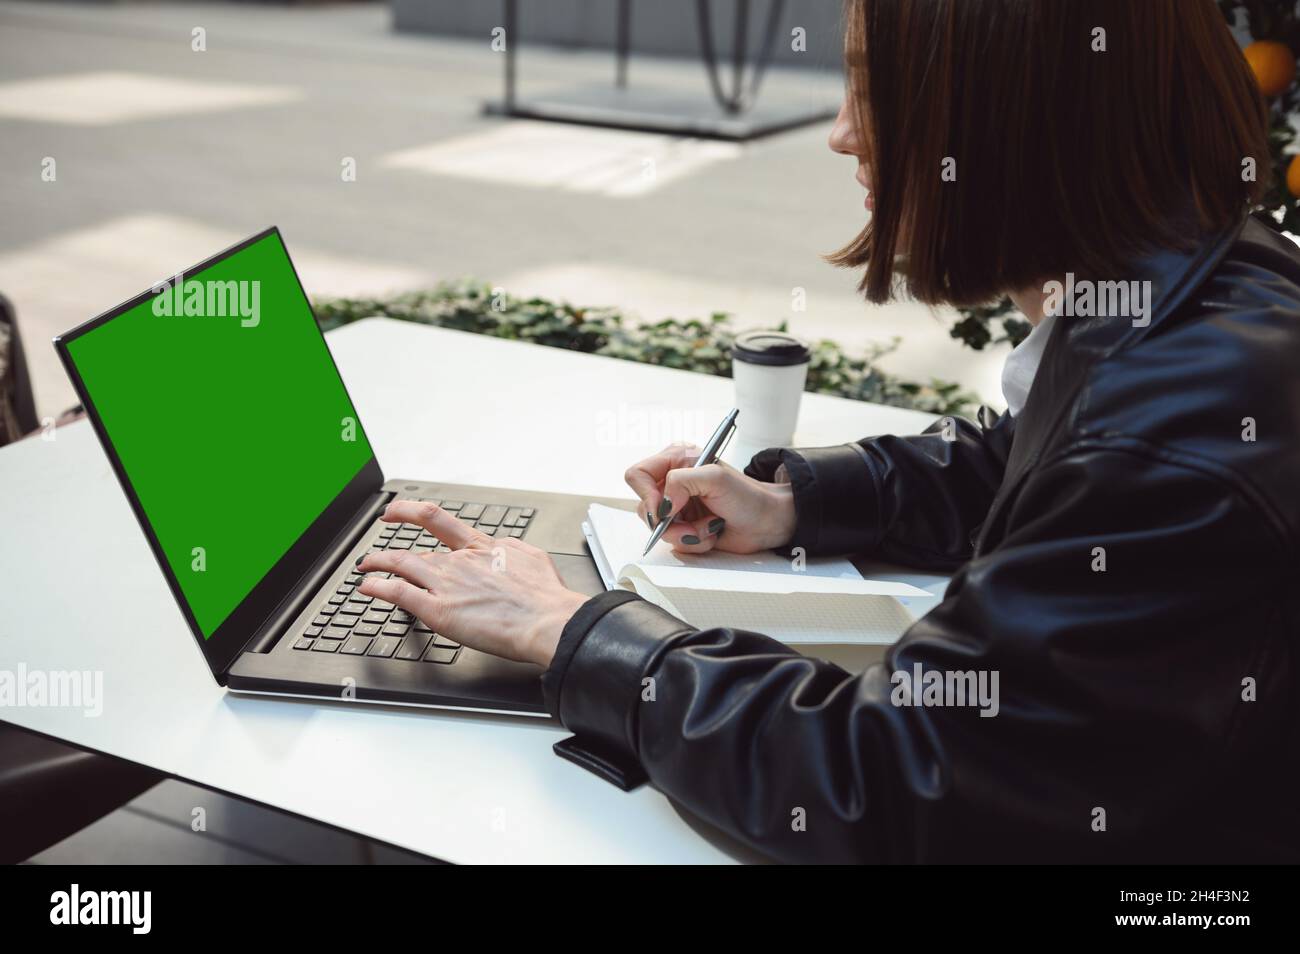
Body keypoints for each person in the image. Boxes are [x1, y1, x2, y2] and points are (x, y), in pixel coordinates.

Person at [357, 0, 1300, 862]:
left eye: (871, 88)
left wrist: (575, 632)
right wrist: (789, 504)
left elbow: (892, 784)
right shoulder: (1195, 297)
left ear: (1007, 113)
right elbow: (1023, 464)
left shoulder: (1174, 438)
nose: (844, 133)